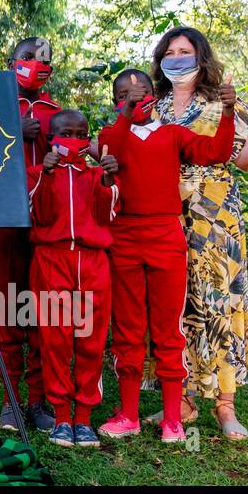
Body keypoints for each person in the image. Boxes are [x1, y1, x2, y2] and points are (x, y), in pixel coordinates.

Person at [150, 27, 248, 440]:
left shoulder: (224, 102)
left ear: (201, 56)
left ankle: (225, 407)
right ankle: (183, 401)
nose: (177, 58)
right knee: (174, 305)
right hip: (163, 217)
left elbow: (246, 161)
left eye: (185, 51)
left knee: (217, 303)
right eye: (169, 52)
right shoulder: (152, 107)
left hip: (215, 222)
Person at [96, 69, 236, 444]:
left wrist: (228, 111)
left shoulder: (172, 134)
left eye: (140, 92)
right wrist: (126, 115)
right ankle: (128, 414)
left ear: (155, 97)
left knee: (167, 329)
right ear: (115, 102)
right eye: (123, 95)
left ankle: (173, 419)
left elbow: (216, 153)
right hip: (123, 236)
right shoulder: (110, 135)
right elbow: (116, 153)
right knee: (126, 327)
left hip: (165, 235)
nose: (132, 98)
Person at [27, 109, 119, 448]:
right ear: (51, 138)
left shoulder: (98, 175)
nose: (75, 140)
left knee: (91, 341)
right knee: (55, 339)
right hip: (51, 261)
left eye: (82, 134)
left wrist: (109, 182)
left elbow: (107, 216)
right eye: (67, 133)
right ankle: (62, 417)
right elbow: (41, 214)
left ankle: (84, 418)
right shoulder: (36, 173)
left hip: (93, 262)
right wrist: (47, 174)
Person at [0, 36, 59, 433]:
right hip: (4, 222)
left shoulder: (57, 113)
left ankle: (38, 401)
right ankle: (9, 401)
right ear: (11, 61)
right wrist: (14, 132)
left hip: (45, 227)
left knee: (42, 314)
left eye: (43, 59)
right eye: (27, 57)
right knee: (8, 309)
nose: (35, 63)